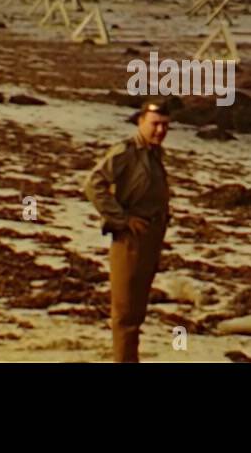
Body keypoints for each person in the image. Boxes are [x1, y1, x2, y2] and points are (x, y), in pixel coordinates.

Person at [83, 101, 172, 362]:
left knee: (136, 313)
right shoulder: (126, 152)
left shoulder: (154, 153)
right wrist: (122, 219)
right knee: (125, 316)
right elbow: (93, 184)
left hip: (151, 238)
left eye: (165, 125)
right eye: (155, 124)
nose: (160, 131)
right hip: (130, 240)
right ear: (140, 121)